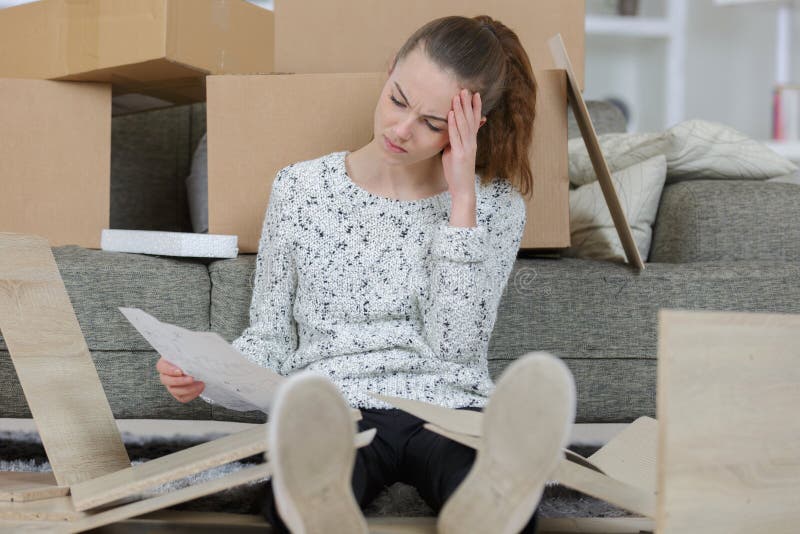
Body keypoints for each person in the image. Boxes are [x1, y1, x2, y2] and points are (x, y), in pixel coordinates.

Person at [156, 14, 576, 533]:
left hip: (449, 406)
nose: (401, 130)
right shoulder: (300, 189)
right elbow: (270, 337)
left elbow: (457, 350)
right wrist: (208, 373)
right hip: (337, 405)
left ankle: (494, 497)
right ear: (389, 72)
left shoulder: (494, 207)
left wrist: (462, 201)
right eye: (399, 100)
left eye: (433, 123)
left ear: (470, 128)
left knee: (490, 492)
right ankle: (317, 509)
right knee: (303, 489)